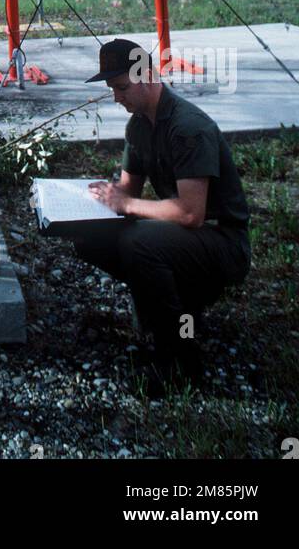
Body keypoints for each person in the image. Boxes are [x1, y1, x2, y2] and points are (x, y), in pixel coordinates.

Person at [72, 39, 251, 398]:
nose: (116, 97)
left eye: (122, 87)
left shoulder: (187, 127)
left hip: (221, 241)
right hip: (189, 236)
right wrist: (91, 202)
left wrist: (126, 205)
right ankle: (177, 309)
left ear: (149, 76)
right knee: (91, 237)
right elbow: (128, 194)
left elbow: (189, 213)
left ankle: (179, 359)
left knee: (139, 242)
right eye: (112, 89)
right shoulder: (139, 126)